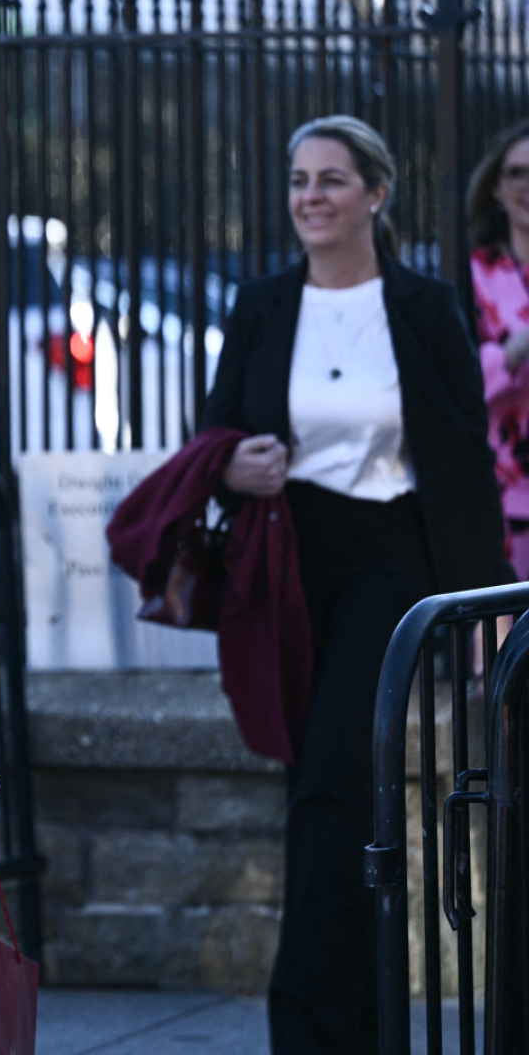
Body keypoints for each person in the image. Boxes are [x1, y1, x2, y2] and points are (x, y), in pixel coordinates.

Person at [203, 115, 509, 1054]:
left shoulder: (421, 305)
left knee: (332, 782)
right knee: (325, 788)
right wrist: (233, 468)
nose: (310, 197)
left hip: (389, 560)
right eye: (299, 180)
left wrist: (490, 603)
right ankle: (368, 1020)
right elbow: (212, 433)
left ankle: (305, 1028)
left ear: (375, 193)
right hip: (289, 560)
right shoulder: (262, 303)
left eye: (331, 179)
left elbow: (465, 459)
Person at [468, 119, 529, 579]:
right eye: (516, 172)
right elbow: (459, 377)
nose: (528, 185)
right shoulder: (473, 273)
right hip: (505, 492)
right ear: (496, 187)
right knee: (505, 642)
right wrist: (513, 352)